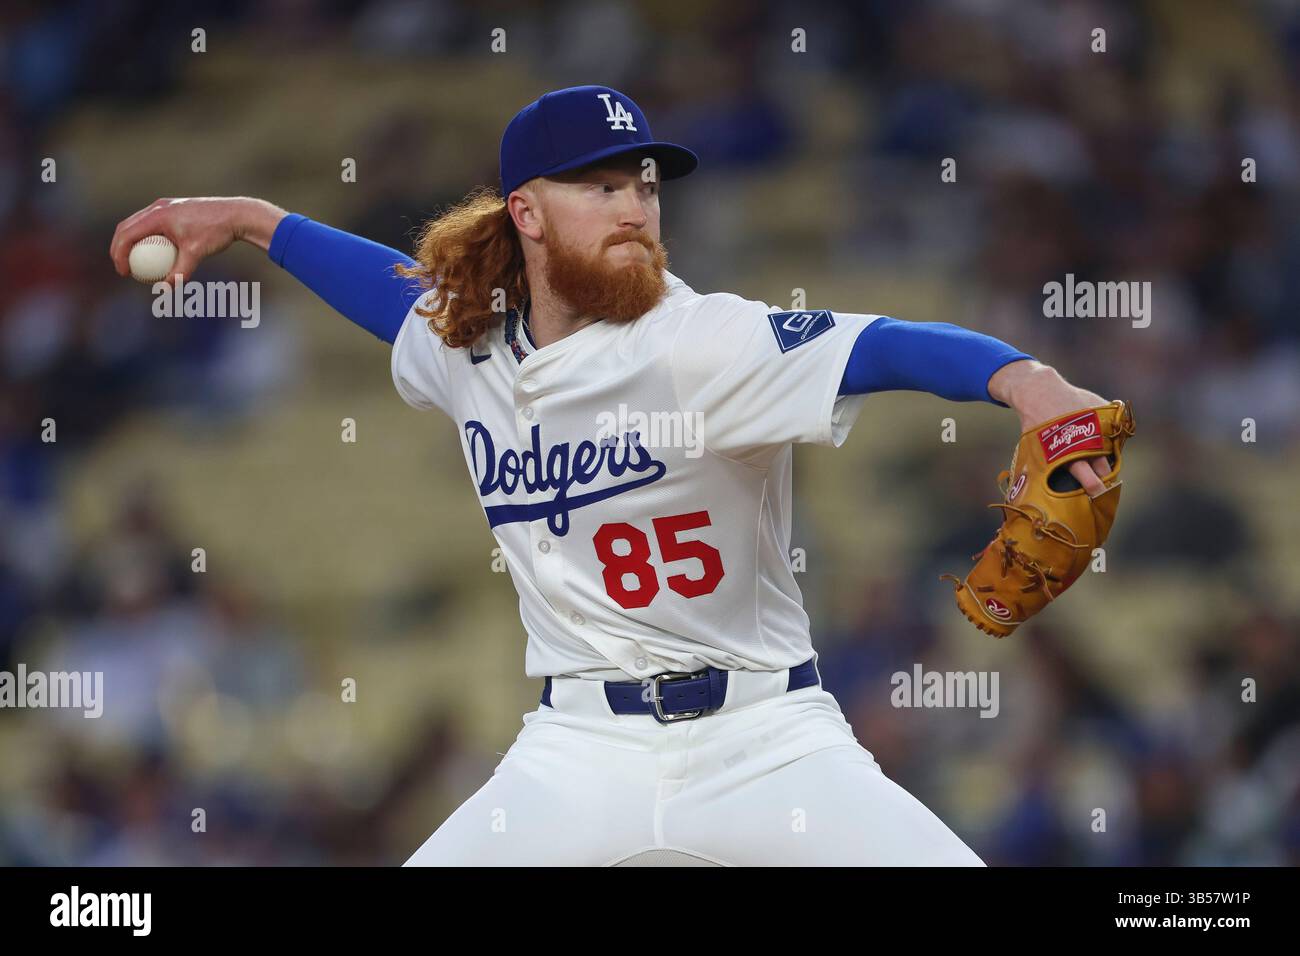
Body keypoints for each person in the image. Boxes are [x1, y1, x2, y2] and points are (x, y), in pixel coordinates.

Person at [109, 85, 1113, 866]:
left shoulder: (705, 340)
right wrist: (249, 216)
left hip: (767, 735)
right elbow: (388, 294)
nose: (634, 205)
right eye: (601, 187)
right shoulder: (466, 344)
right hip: (578, 746)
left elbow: (885, 346)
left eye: (643, 183)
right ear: (528, 214)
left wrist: (1027, 381)